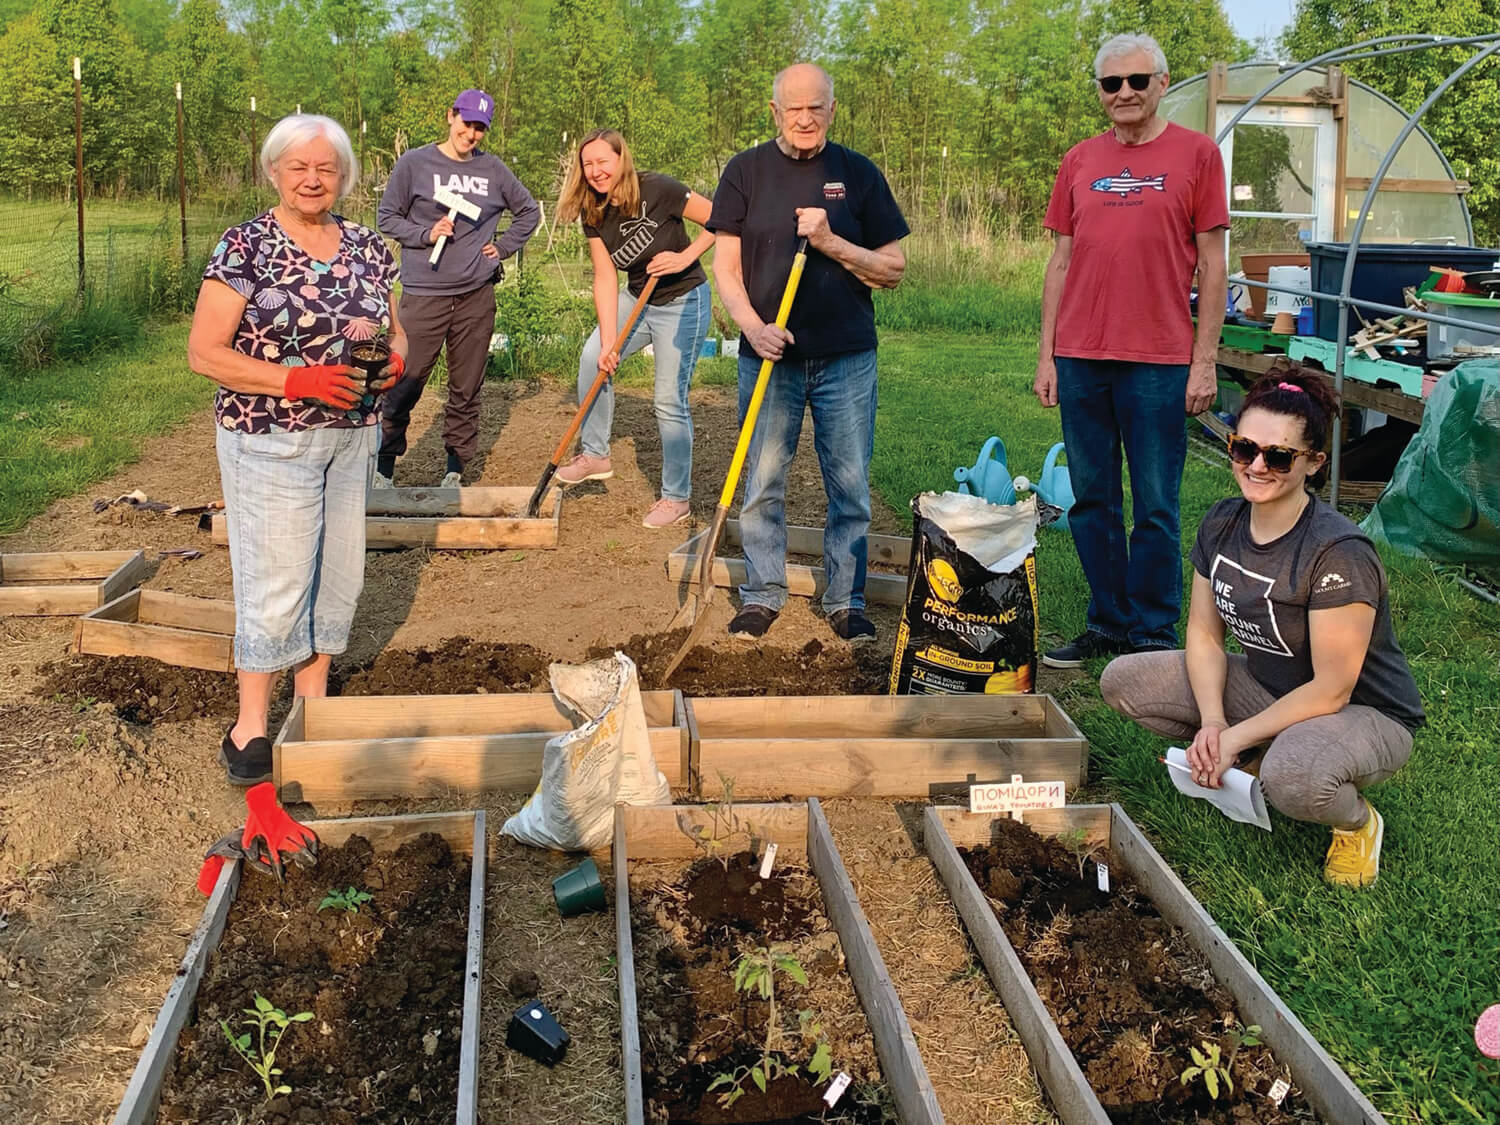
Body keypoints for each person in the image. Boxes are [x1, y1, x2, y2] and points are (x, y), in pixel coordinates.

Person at [1099, 366, 1424, 887]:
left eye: (1278, 456)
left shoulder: (1338, 552)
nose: (1256, 465)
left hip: (1365, 712)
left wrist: (1233, 740)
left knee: (1293, 778)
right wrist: (1212, 724)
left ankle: (1357, 822)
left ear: (1314, 463)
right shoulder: (1223, 522)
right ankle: (1262, 752)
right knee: (1123, 680)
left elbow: (1332, 689)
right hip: (1271, 689)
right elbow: (1204, 635)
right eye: (1243, 448)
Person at [187, 114, 409, 785]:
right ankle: (251, 723)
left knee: (338, 575)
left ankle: (312, 705)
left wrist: (393, 364)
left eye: (326, 169)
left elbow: (394, 334)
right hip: (268, 436)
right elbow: (205, 352)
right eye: (299, 168)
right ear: (275, 172)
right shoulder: (245, 246)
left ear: (343, 175)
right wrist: (298, 380)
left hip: (350, 436)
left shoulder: (369, 247)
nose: (313, 180)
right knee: (276, 578)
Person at [1035, 33, 1229, 667]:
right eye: (1110, 84)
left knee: (1155, 502)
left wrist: (1204, 362)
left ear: (1163, 83)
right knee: (1091, 498)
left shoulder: (1198, 156)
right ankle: (1108, 622)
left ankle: (1152, 630)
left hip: (1160, 359)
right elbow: (1059, 262)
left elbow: (1214, 266)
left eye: (1136, 81)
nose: (1123, 93)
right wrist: (1048, 355)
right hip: (1082, 356)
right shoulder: (1078, 161)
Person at [708, 62, 908, 643]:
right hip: (769, 358)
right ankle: (762, 593)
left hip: (846, 358)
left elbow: (892, 269)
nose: (804, 118)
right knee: (764, 480)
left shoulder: (858, 174)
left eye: (815, 107)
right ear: (774, 111)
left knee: (848, 483)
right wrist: (751, 327)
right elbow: (725, 268)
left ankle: (845, 599)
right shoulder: (745, 172)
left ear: (832, 109)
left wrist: (829, 241)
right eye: (792, 108)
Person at [376, 89, 540, 487]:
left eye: (480, 128)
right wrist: (425, 233)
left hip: (474, 295)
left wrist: (500, 249)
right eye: (467, 124)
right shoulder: (414, 164)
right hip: (424, 292)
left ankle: (454, 468)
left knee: (465, 386)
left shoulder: (493, 170)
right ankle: (382, 466)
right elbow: (387, 217)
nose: (472, 134)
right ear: (450, 116)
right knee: (402, 379)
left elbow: (529, 212)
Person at [553, 129, 715, 528]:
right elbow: (605, 278)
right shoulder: (594, 211)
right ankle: (595, 455)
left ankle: (677, 499)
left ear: (621, 158)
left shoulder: (658, 188)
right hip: (638, 298)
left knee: (667, 400)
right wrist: (610, 342)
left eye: (602, 161)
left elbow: (724, 219)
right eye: (587, 164)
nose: (595, 171)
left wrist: (684, 257)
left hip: (682, 301)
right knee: (593, 358)